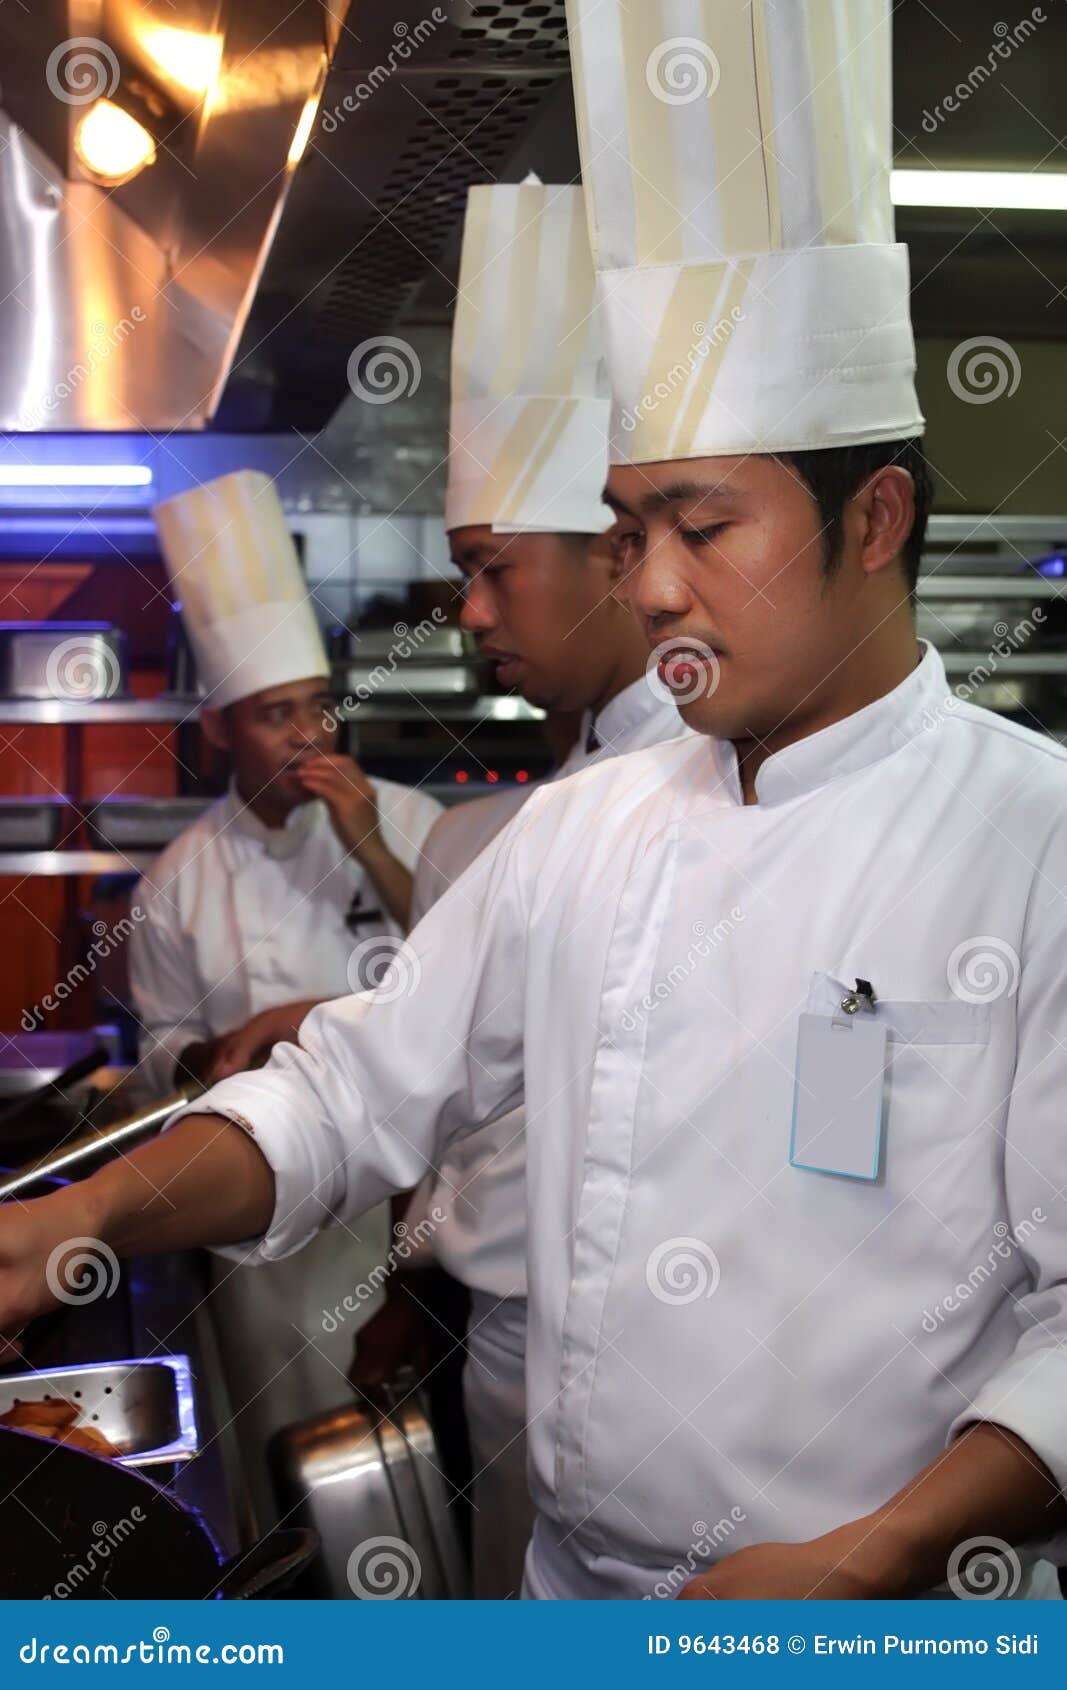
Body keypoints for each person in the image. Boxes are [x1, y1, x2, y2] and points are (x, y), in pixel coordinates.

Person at [4, 0, 1067, 1601]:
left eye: (700, 526)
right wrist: (65, 1216)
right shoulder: (582, 830)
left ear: (876, 519)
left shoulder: (1030, 840)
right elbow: (337, 1101)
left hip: (877, 1612)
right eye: (629, 528)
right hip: (571, 1582)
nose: (646, 585)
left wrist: (873, 1548)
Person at [351, 178, 692, 1598]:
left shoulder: (693, 796)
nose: (471, 612)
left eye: (492, 570)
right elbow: (400, 1068)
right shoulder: (563, 806)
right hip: (523, 1353)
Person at [129, 469, 441, 1522]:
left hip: (401, 1225)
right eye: (275, 716)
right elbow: (159, 1051)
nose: (309, 737)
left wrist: (368, 847)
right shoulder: (177, 877)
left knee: (417, 1488)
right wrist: (208, 1057)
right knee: (283, 1482)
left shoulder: (402, 819)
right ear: (220, 727)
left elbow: (469, 980)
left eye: (317, 708)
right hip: (258, 1231)